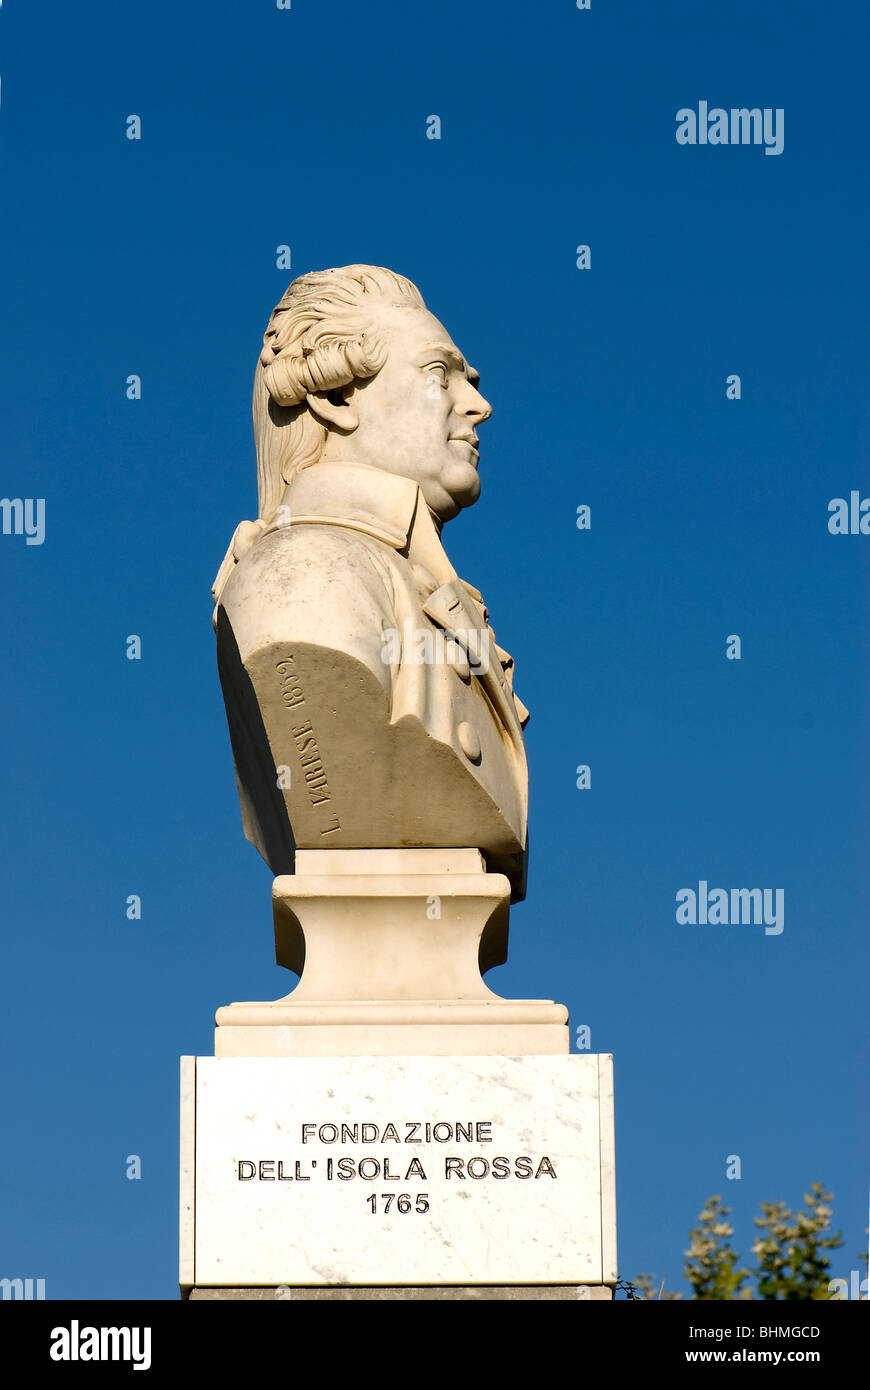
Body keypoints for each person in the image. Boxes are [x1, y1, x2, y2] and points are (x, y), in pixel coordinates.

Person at [214, 266, 529, 898]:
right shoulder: (303, 580)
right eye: (439, 373)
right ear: (336, 400)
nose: (478, 405)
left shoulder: (419, 583)